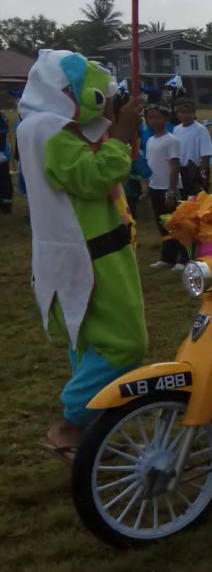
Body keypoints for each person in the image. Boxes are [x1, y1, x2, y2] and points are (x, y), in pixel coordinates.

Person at [18, 50, 148, 458]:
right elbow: (93, 178)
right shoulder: (50, 131)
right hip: (92, 257)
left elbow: (88, 143)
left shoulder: (39, 127)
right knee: (125, 344)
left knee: (89, 345)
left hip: (78, 252)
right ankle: (73, 420)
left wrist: (117, 120)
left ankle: (96, 429)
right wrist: (123, 134)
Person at [143, 104, 184, 269]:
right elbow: (150, 164)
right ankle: (168, 257)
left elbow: (174, 166)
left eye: (157, 117)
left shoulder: (171, 140)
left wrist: (171, 191)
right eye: (150, 117)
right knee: (163, 224)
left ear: (166, 119)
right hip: (155, 187)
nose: (153, 121)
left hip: (169, 189)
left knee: (177, 225)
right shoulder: (151, 140)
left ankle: (183, 258)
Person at [172, 98, 212, 199]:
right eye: (182, 112)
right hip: (181, 169)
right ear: (177, 114)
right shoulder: (176, 129)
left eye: (189, 112)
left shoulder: (200, 129)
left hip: (196, 170)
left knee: (197, 199)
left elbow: (205, 154)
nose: (186, 115)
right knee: (184, 198)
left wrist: (203, 175)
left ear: (194, 113)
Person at [0, 110, 12, 214]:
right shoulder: (2, 116)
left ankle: (6, 203)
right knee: (4, 178)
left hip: (2, 153)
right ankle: (6, 203)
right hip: (3, 153)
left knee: (3, 178)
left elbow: (3, 133)